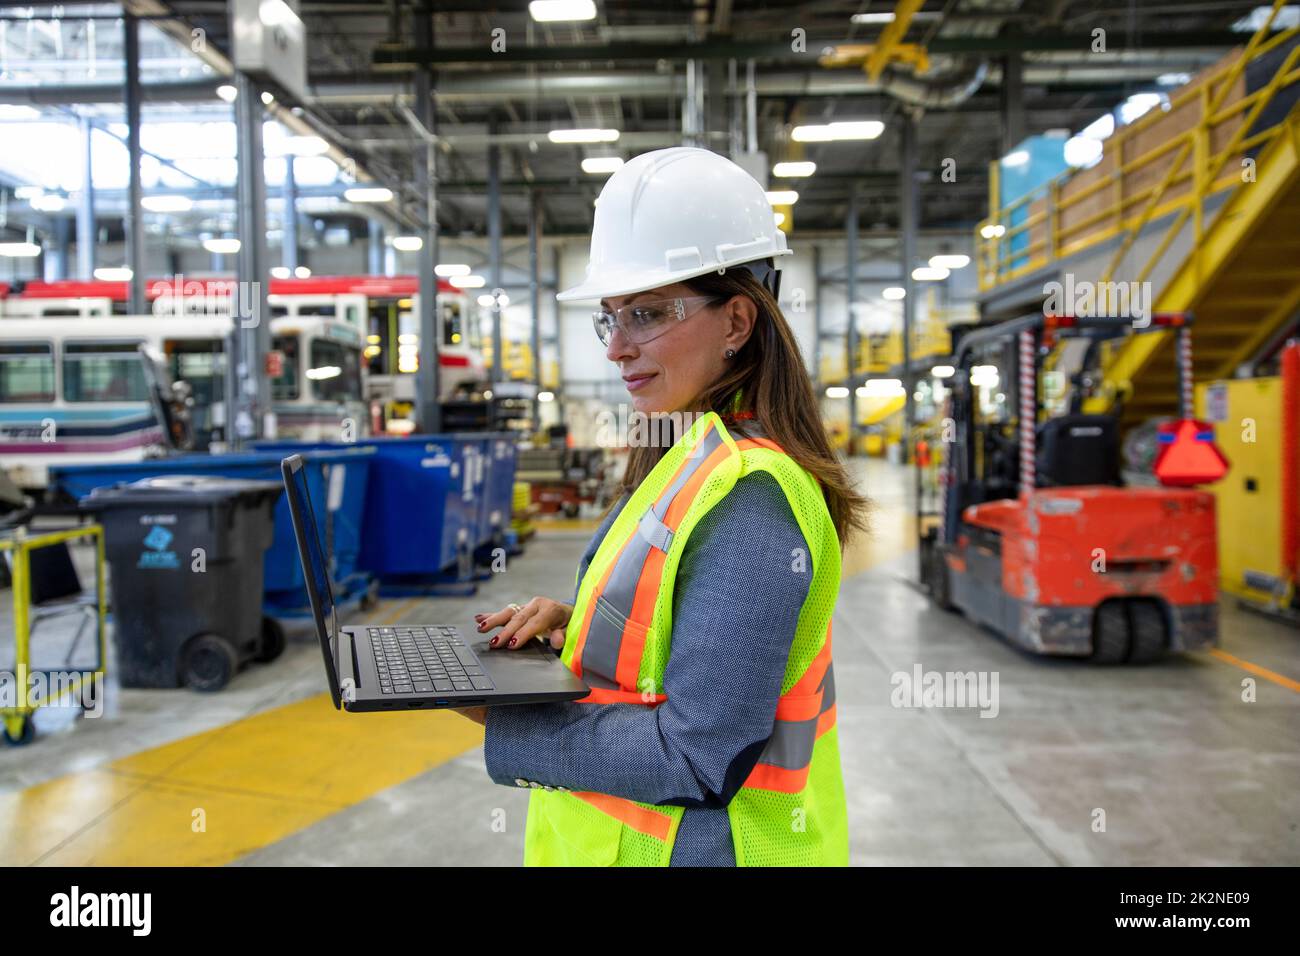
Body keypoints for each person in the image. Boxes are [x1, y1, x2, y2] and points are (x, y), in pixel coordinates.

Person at [457, 146, 868, 866]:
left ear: (737, 321)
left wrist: (499, 716)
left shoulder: (750, 496)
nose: (616, 348)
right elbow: (670, 639)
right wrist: (577, 630)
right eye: (609, 318)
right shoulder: (693, 454)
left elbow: (697, 755)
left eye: (646, 314)